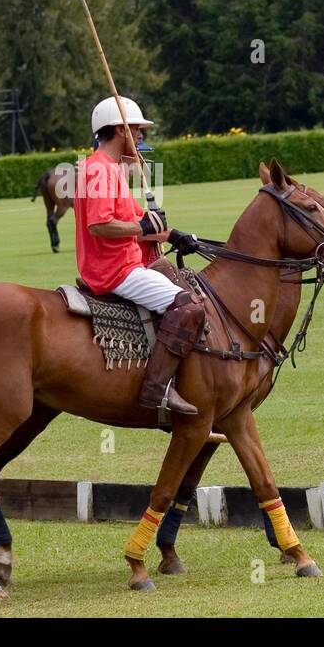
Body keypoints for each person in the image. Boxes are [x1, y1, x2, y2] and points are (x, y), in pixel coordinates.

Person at [73, 96, 203, 416]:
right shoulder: (99, 170)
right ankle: (157, 390)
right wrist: (139, 225)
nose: (142, 137)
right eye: (137, 130)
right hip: (115, 270)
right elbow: (100, 225)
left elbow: (141, 225)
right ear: (120, 130)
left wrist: (173, 235)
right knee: (187, 306)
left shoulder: (111, 170)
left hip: (125, 263)